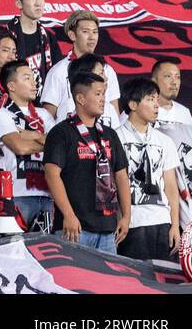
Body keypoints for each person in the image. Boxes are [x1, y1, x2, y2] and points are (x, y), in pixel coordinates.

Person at [43, 71, 131, 253]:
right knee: (73, 281)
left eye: (104, 94)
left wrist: (126, 216)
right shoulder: (61, 133)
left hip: (108, 228)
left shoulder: (109, 134)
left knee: (108, 280)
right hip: (75, 227)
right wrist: (68, 215)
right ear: (81, 99)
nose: (103, 100)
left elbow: (121, 175)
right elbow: (52, 174)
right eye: (98, 94)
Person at [115, 77, 181, 261]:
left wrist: (175, 225)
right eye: (150, 99)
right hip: (132, 222)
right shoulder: (116, 137)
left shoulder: (165, 141)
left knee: (163, 282)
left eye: (156, 100)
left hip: (162, 222)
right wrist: (120, 218)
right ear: (133, 104)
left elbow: (171, 187)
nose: (156, 105)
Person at [0, 61, 54, 228]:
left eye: (33, 78)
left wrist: (31, 134)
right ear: (11, 86)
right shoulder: (1, 115)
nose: (34, 83)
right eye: (27, 78)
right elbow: (20, 147)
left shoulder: (44, 114)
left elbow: (59, 144)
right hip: (16, 194)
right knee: (15, 250)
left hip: (48, 193)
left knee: (47, 251)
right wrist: (43, 139)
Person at [42, 12, 120, 123]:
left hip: (104, 136)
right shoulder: (58, 71)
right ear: (72, 35)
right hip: (69, 136)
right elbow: (47, 116)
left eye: (95, 32)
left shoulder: (107, 70)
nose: (92, 37)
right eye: (85, 32)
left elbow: (114, 111)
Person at [9, 0, 61, 86]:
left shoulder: (49, 37)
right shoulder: (7, 36)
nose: (38, 3)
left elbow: (58, 75)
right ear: (19, 4)